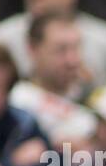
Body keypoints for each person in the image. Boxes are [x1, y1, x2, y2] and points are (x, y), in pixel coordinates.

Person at [8, 11, 97, 148]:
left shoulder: (94, 99)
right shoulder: (17, 102)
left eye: (76, 47)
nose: (72, 60)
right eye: (61, 50)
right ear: (32, 49)